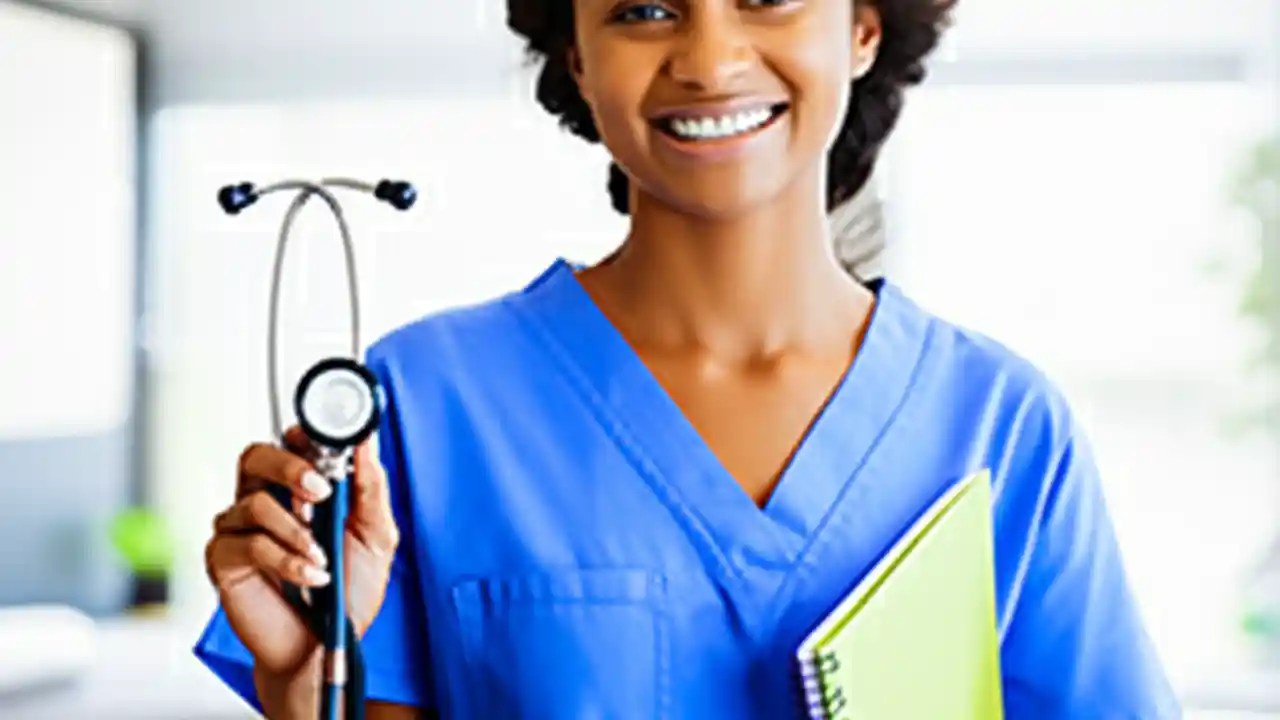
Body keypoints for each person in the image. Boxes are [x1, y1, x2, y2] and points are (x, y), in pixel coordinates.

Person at [195, 0, 1182, 717]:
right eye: (644, 8)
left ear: (862, 28)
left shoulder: (998, 426)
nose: (708, 59)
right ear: (576, 56)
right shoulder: (422, 406)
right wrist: (305, 692)